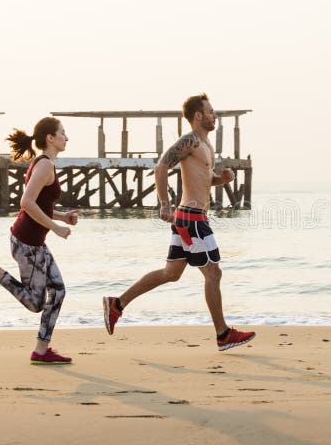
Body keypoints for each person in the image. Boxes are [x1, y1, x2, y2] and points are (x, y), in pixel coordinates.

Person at [103, 93, 255, 351]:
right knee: (213, 273)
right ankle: (223, 334)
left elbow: (203, 180)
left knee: (170, 274)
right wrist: (164, 203)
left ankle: (117, 304)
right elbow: (162, 167)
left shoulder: (205, 144)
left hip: (191, 217)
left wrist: (222, 179)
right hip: (192, 219)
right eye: (210, 111)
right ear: (198, 116)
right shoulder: (190, 141)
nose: (214, 115)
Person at [0, 117, 78, 365]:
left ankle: (41, 350)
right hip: (27, 243)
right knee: (35, 303)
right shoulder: (45, 165)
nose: (66, 138)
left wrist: (62, 217)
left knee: (58, 291)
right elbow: (26, 203)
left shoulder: (46, 164)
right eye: (63, 133)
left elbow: (39, 205)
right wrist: (56, 227)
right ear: (50, 138)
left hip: (33, 242)